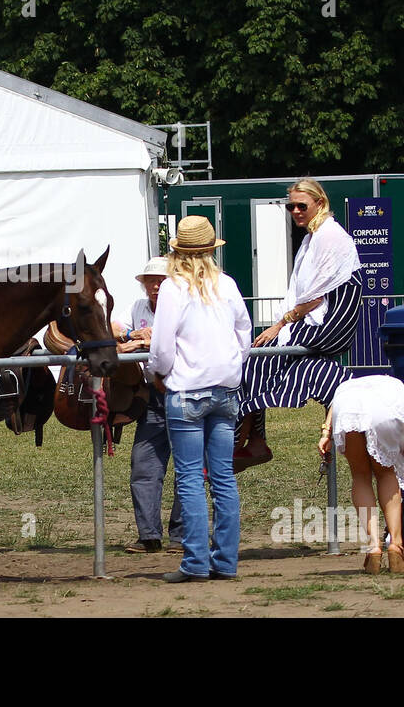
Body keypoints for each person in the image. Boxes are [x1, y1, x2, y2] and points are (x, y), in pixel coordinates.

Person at [149, 216, 253, 582]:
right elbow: (244, 330)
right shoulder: (227, 284)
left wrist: (157, 373)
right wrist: (232, 360)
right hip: (225, 391)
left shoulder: (173, 289)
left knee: (191, 478)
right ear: (211, 249)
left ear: (178, 251)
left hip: (187, 392)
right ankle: (225, 561)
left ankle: (194, 562)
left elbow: (161, 346)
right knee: (223, 477)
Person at [239, 177, 362, 469]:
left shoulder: (329, 236)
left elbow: (315, 298)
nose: (295, 210)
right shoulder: (312, 238)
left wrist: (280, 325)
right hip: (316, 320)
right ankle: (254, 440)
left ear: (320, 203)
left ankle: (251, 441)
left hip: (330, 325)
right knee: (257, 360)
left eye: (301, 205)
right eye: (290, 206)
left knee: (254, 363)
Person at [317, 375, 404, 573]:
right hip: (384, 411)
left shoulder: (351, 386)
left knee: (360, 476)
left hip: (347, 407)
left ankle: (374, 547)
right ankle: (396, 545)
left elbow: (336, 403)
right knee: (386, 473)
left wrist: (326, 434)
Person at [111, 256, 183, 554]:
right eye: (151, 280)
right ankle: (149, 535)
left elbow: (179, 341)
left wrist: (143, 344)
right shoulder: (138, 307)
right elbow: (113, 327)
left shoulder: (180, 305)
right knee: (144, 465)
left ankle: (180, 536)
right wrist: (131, 335)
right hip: (152, 395)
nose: (156, 285)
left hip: (180, 391)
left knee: (187, 468)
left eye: (162, 280)